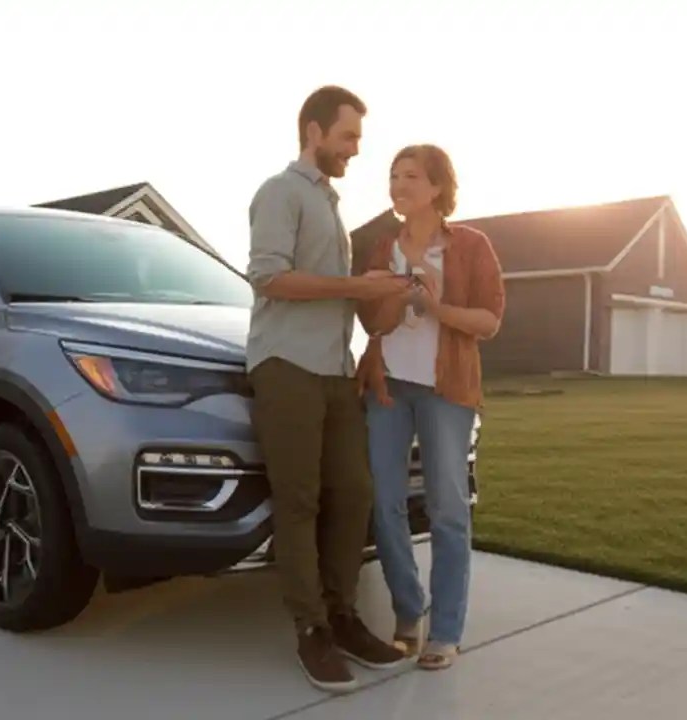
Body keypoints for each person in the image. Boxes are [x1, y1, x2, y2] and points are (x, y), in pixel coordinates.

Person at [245, 85, 411, 694]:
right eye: (349, 137)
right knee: (299, 500)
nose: (355, 150)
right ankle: (311, 630)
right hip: (285, 364)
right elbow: (268, 278)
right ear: (314, 132)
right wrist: (353, 288)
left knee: (354, 491)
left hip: (336, 370)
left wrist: (378, 298)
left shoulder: (333, 207)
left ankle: (342, 617)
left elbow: (343, 296)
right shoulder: (281, 192)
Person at [354, 144, 505, 671]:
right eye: (393, 176)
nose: (398, 185)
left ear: (438, 187)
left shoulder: (471, 246)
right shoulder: (381, 248)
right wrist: (397, 294)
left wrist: (436, 304)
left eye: (411, 176)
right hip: (387, 387)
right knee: (385, 503)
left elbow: (489, 321)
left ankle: (445, 631)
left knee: (446, 508)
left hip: (448, 391)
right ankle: (408, 610)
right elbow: (372, 323)